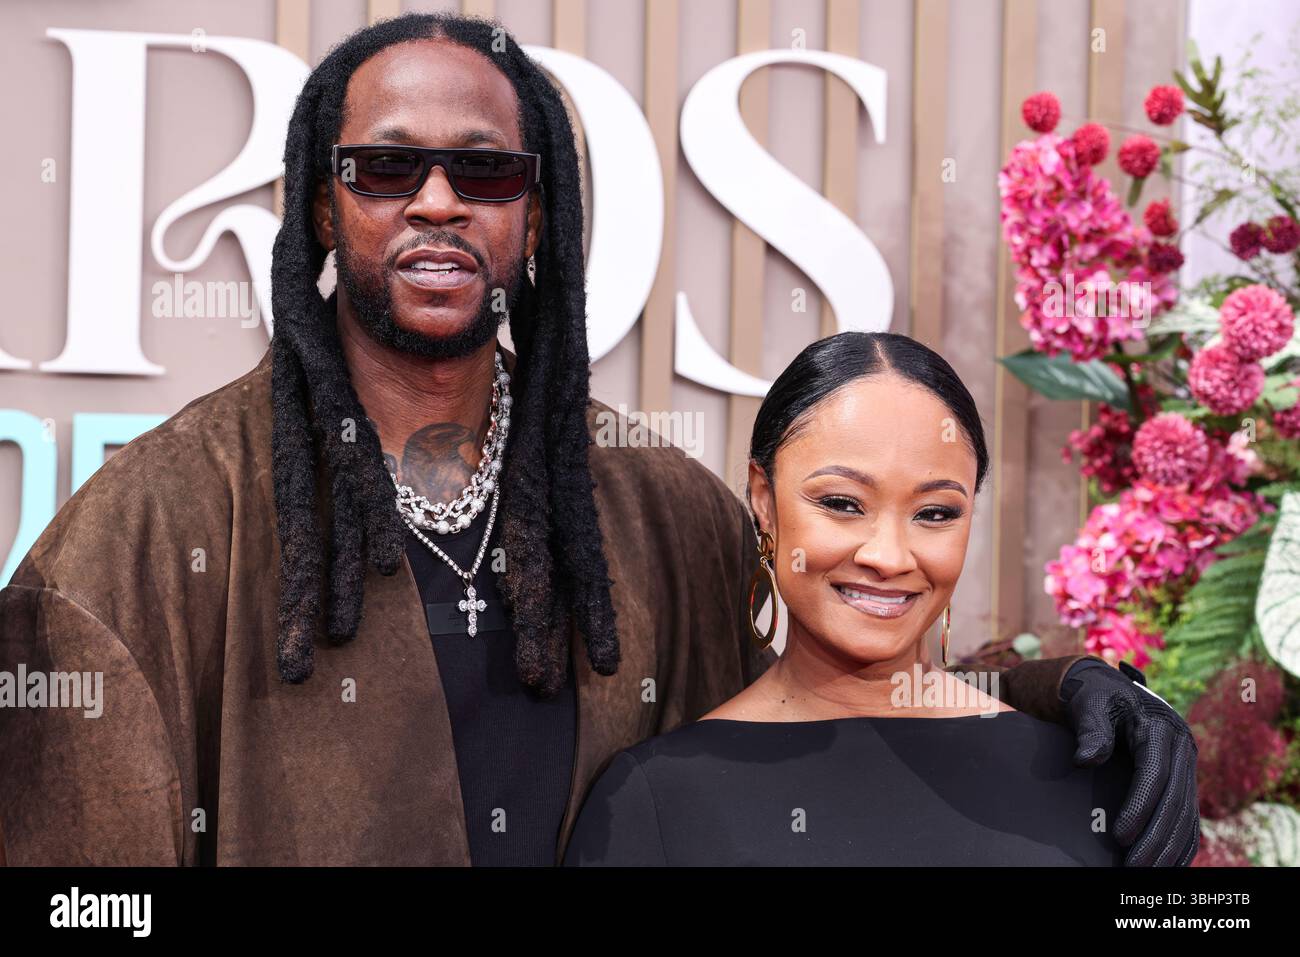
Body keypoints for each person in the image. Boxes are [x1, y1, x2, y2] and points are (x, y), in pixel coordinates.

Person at [0, 14, 1194, 867]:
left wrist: (1057, 693)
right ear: (323, 203)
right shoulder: (154, 526)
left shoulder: (655, 508)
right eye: (384, 168)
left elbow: (830, 689)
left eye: (484, 170)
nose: (435, 201)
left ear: (537, 217)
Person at [564, 332, 1200, 866]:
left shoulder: (1102, 772)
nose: (890, 556)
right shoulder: (654, 801)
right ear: (764, 500)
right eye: (842, 504)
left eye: (934, 512)